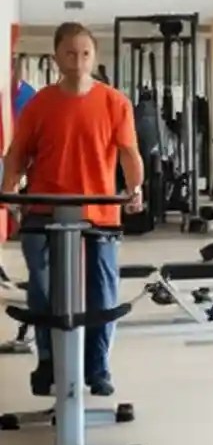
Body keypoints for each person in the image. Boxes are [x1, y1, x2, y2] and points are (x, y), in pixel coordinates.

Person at [1, 22, 145, 397]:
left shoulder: (115, 103)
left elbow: (129, 153)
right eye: (70, 53)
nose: (78, 61)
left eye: (85, 53)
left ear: (94, 57)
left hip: (99, 213)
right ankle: (48, 360)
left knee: (102, 291)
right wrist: (8, 190)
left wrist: (135, 188)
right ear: (56, 58)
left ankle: (97, 367)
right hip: (45, 209)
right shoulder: (40, 104)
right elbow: (18, 154)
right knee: (42, 284)